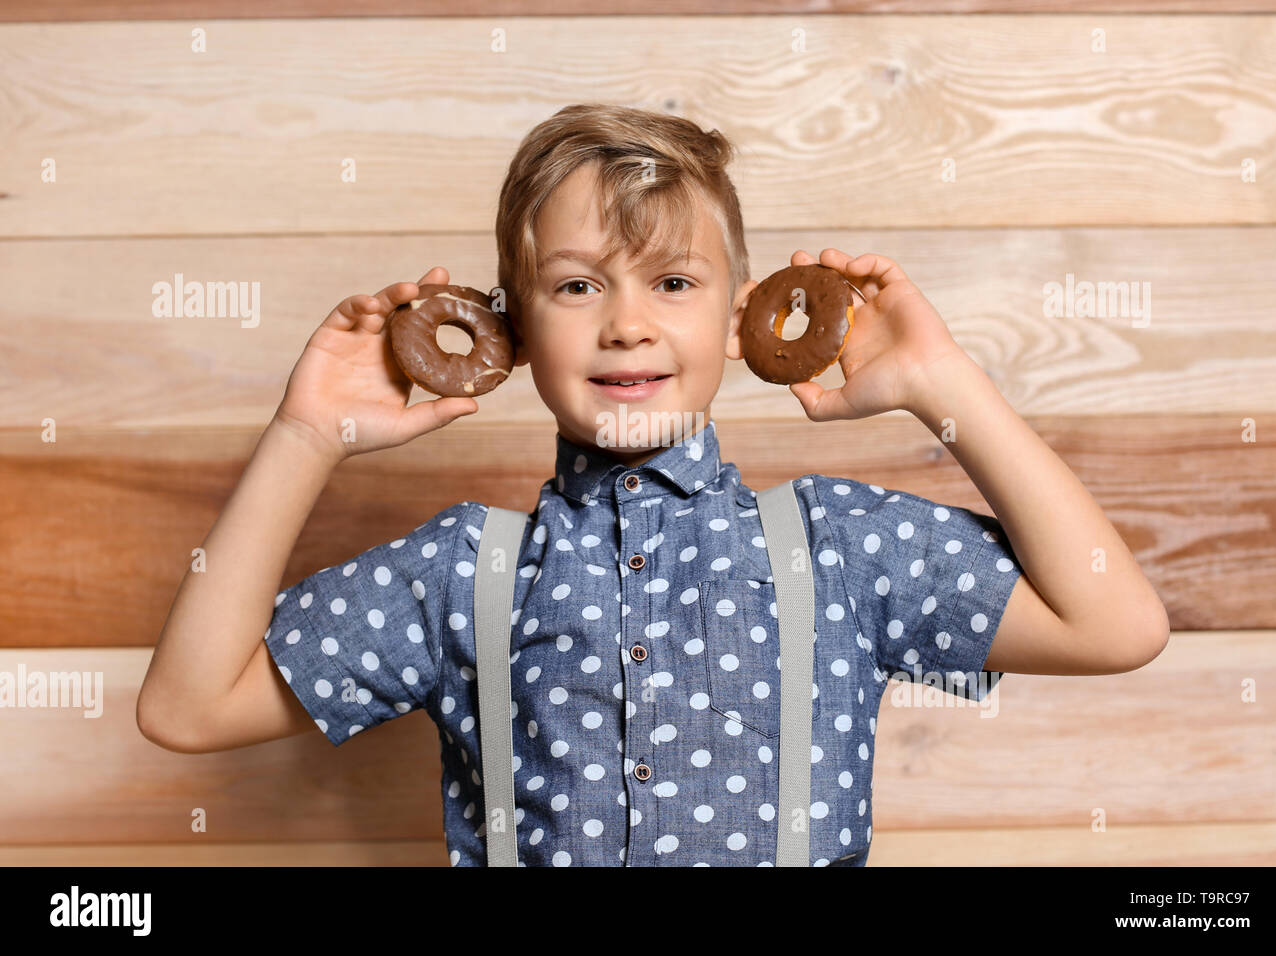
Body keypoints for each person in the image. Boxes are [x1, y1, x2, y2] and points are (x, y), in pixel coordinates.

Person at [138, 103, 1169, 866]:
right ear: (508, 329)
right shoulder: (463, 571)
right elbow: (188, 706)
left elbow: (1115, 623)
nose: (627, 322)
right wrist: (306, 434)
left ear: (740, 317)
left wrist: (941, 387)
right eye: (577, 284)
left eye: (672, 281)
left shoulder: (839, 548)